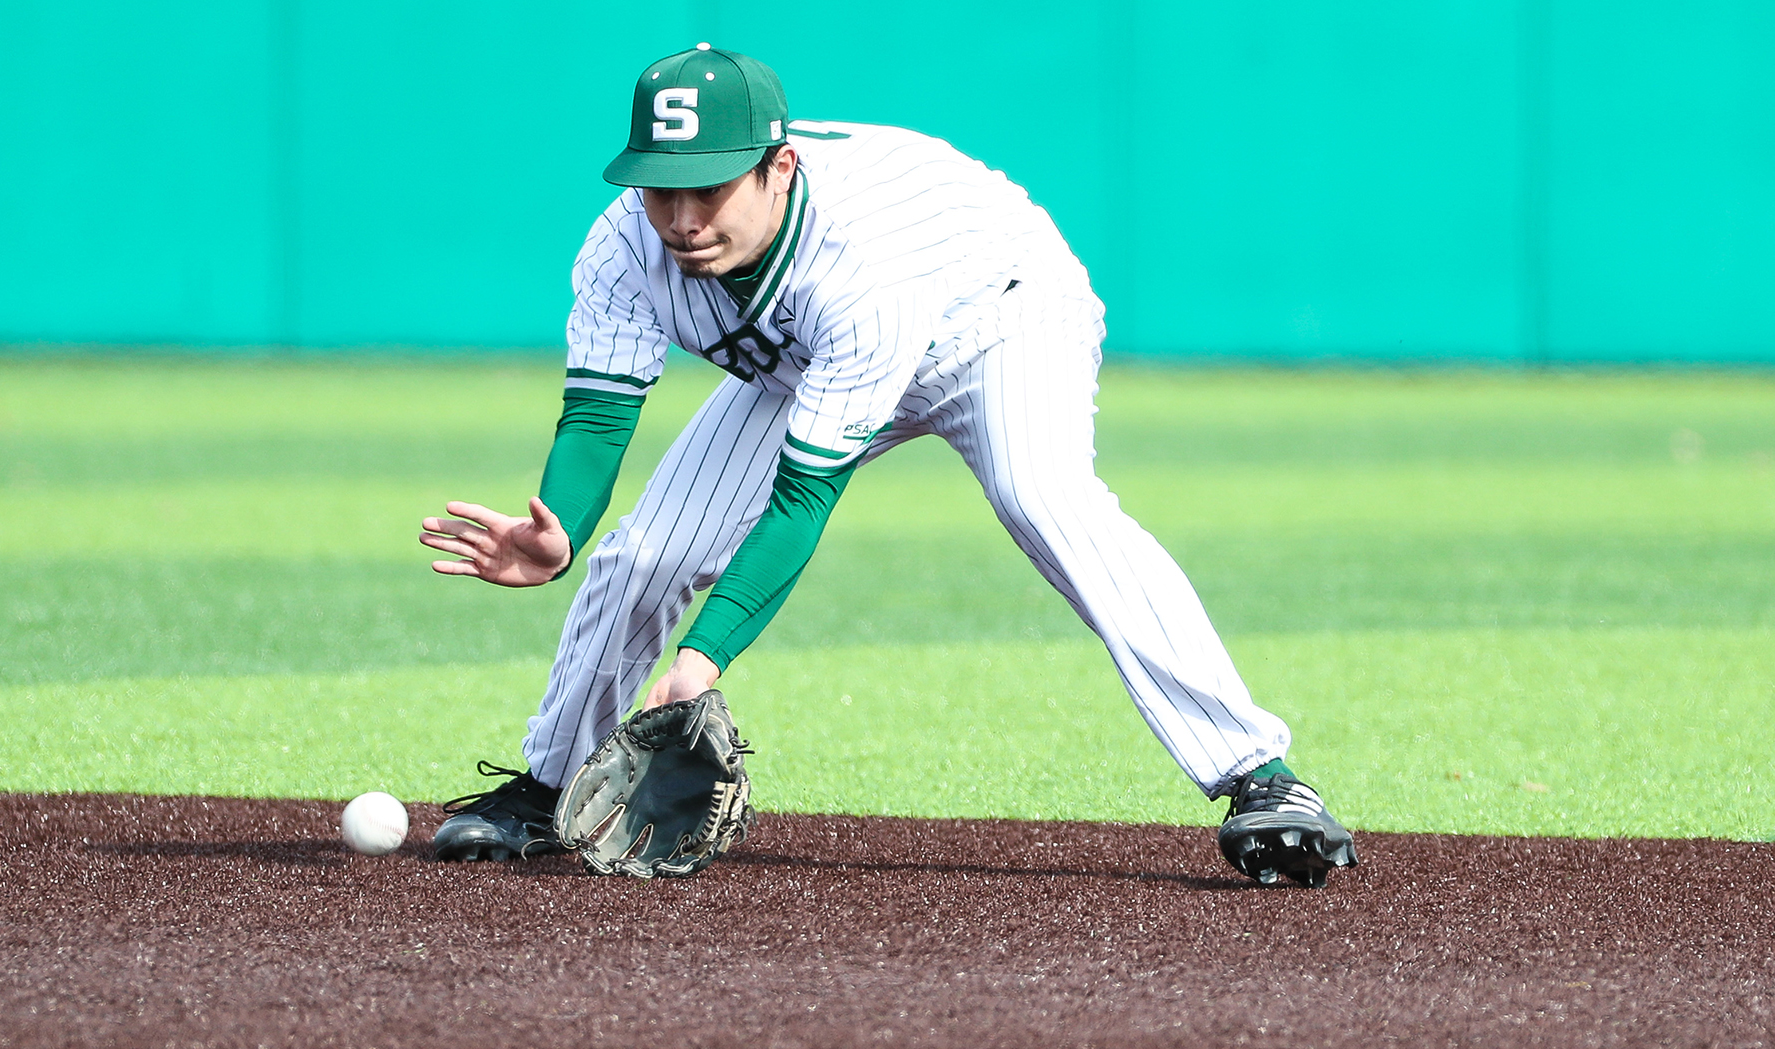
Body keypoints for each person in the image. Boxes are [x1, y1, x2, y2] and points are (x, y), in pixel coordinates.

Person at [417, 45, 1359, 887]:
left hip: (993, 313)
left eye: (710, 186)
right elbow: (599, 413)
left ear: (777, 167)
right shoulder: (627, 244)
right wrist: (562, 529)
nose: (681, 214)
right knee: (644, 558)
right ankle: (546, 790)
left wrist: (703, 659)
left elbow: (804, 491)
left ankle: (1260, 777)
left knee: (1048, 500)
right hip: (805, 354)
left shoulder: (859, 260)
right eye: (662, 184)